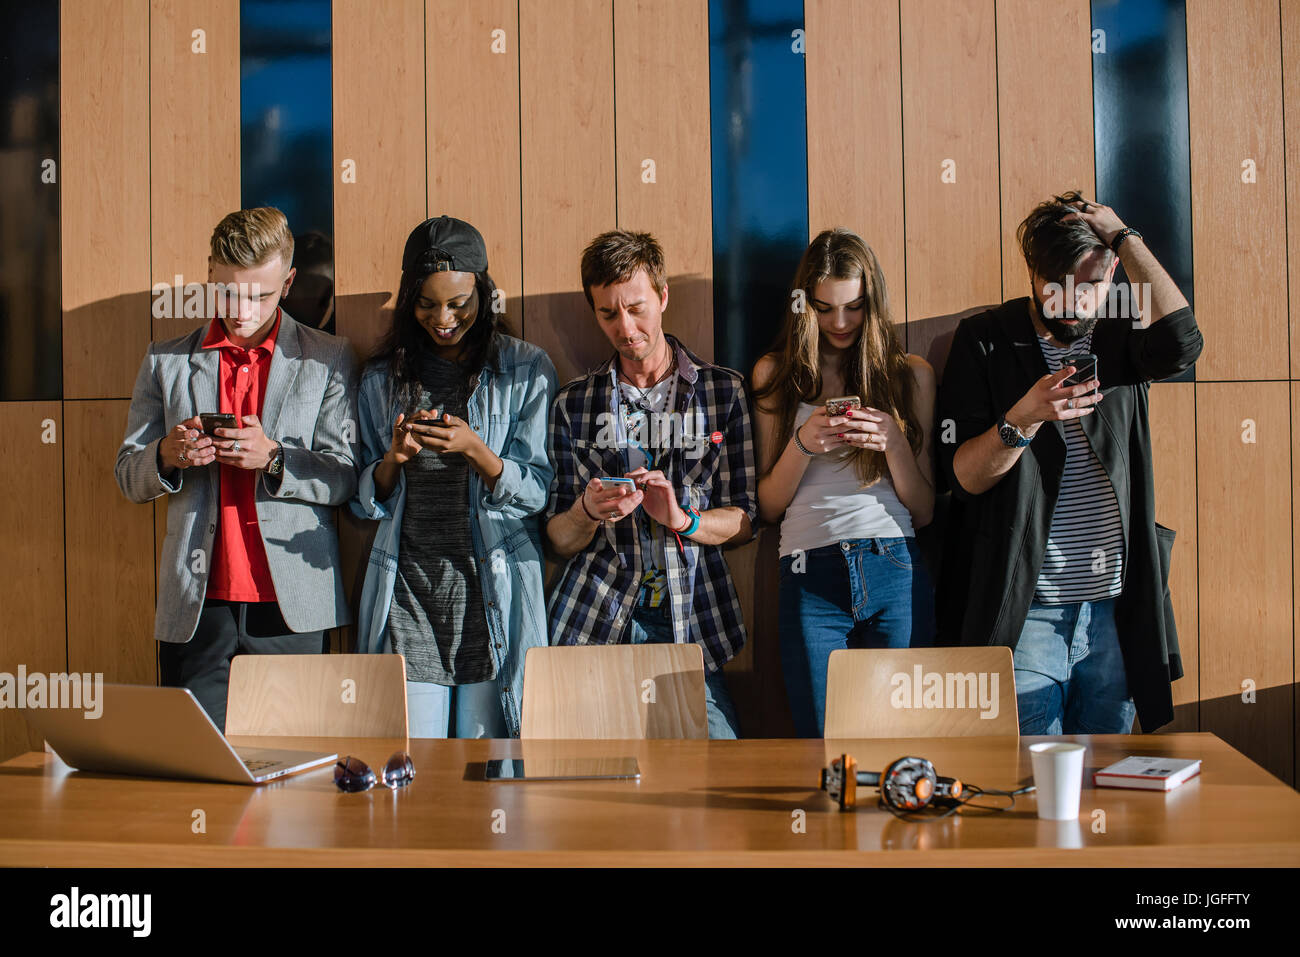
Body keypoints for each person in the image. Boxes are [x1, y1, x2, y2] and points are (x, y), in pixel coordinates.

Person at [936, 190, 1203, 734]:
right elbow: (960, 477)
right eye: (1068, 287)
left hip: (1117, 610)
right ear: (1035, 276)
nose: (1083, 301)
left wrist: (1124, 238)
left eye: (1099, 283)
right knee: (1035, 790)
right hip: (1028, 613)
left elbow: (1184, 341)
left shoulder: (1116, 335)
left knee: (1112, 789)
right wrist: (1024, 418)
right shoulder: (986, 340)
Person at [115, 207, 358, 731]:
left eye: (260, 295)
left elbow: (345, 477)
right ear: (209, 275)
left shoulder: (330, 357)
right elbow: (127, 477)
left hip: (291, 605)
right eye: (227, 292)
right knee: (195, 771)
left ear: (289, 282)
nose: (241, 309)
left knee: (295, 783)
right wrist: (167, 455)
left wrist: (274, 459)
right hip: (197, 607)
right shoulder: (167, 361)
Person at [544, 229, 756, 738]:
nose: (626, 327)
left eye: (636, 308)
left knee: (717, 774)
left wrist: (681, 519)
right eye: (608, 314)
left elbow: (746, 520)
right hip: (596, 618)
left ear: (662, 296)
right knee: (589, 791)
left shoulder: (722, 392)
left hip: (692, 619)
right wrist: (588, 512)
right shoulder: (573, 404)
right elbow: (555, 539)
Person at [352, 216, 556, 738]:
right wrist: (393, 460)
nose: (443, 318)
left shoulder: (525, 369)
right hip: (409, 595)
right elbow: (363, 501)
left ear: (484, 296)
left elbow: (537, 492)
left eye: (459, 304)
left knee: (491, 783)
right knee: (417, 778)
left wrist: (478, 452)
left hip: (493, 598)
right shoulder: (382, 378)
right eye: (426, 303)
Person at [751, 228, 937, 737]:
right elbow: (767, 507)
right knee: (825, 743)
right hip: (809, 569)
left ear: (871, 303)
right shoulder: (774, 375)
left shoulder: (910, 376)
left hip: (894, 563)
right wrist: (805, 444)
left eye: (853, 307)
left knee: (899, 738)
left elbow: (924, 511)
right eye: (824, 308)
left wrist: (894, 443)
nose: (838, 322)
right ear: (804, 305)